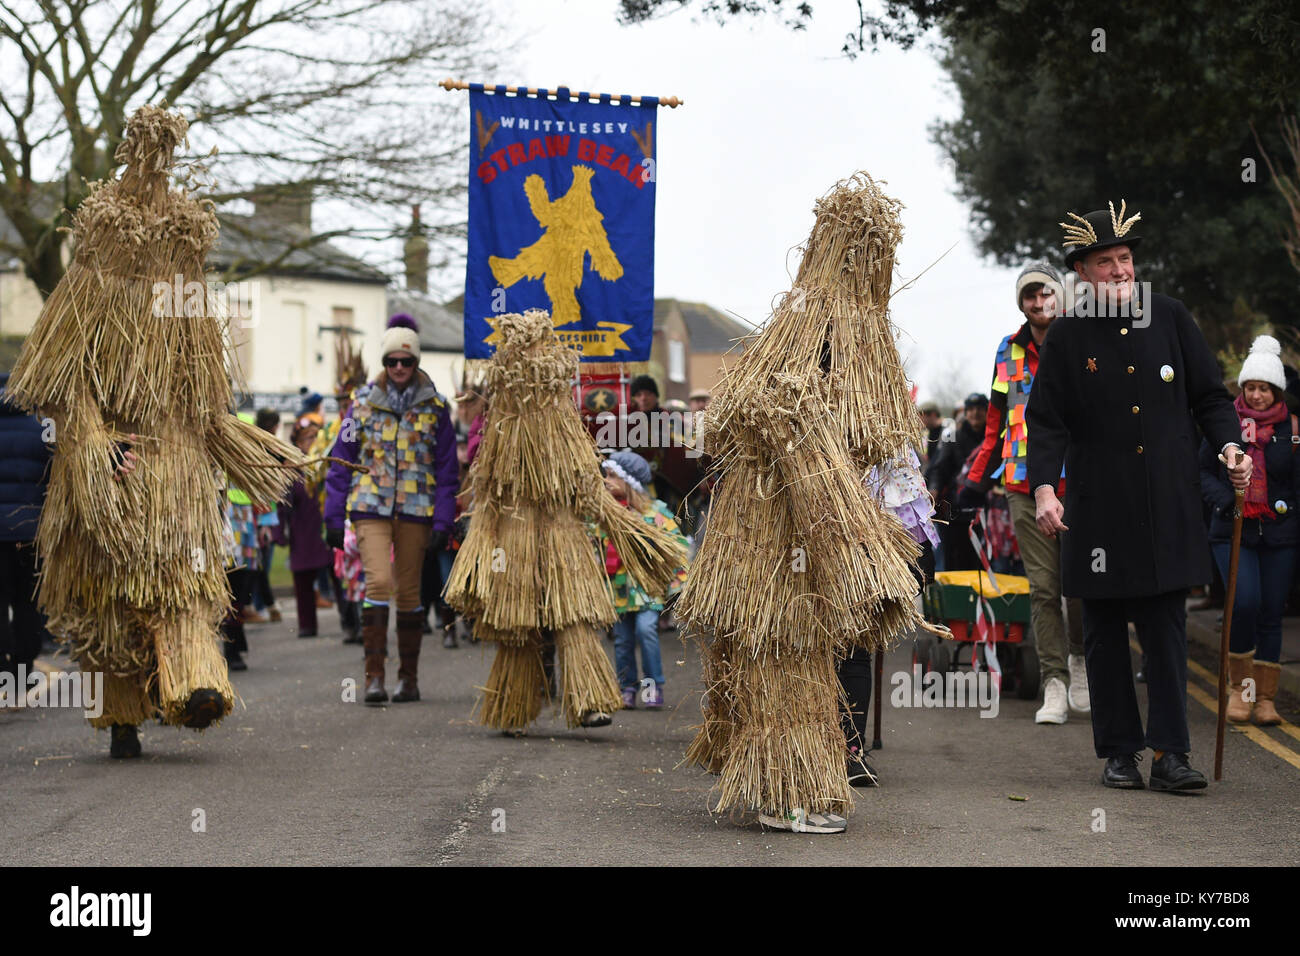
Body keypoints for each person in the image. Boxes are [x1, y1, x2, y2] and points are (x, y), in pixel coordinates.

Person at [1027, 201, 1252, 792]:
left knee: (1166, 633)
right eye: (1107, 262)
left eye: (1126, 258)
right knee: (1103, 635)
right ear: (1082, 273)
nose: (1122, 270)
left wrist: (1229, 446)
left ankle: (1171, 754)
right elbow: (1046, 420)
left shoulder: (1172, 317)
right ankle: (1120, 751)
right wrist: (1045, 488)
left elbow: (1210, 397)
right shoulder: (1069, 335)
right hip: (1099, 512)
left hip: (1166, 507)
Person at [962, 261, 1089, 724]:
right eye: (1030, 296)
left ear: (1060, 297)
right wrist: (976, 478)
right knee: (1043, 589)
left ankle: (1079, 662)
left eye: (1046, 294)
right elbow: (996, 419)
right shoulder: (1006, 350)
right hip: (1020, 483)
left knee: (1078, 587)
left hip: (1078, 481)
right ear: (1022, 303)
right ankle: (1053, 682)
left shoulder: (1080, 340)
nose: (1039, 303)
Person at [324, 313, 459, 704]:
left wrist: (444, 519)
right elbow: (341, 459)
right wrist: (334, 516)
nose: (399, 368)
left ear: (416, 363)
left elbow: (448, 470)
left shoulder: (436, 408)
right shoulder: (360, 404)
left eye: (407, 361)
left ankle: (408, 678)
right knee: (379, 582)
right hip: (370, 505)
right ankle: (374, 678)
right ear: (383, 364)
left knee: (410, 593)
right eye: (391, 361)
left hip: (417, 508)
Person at [1199, 335, 1298, 726]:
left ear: (1276, 391)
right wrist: (1226, 500)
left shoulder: (1291, 430)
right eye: (1251, 387)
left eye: (1264, 388)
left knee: (1272, 613)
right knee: (1244, 605)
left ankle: (1266, 699)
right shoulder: (1224, 424)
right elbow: (1203, 471)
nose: (1256, 396)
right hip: (1231, 527)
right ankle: (1240, 691)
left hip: (1279, 533)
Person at [600, 451, 688, 710]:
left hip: (647, 589)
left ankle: (652, 686)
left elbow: (677, 548)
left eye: (612, 476)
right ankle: (627, 687)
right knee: (622, 639)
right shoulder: (609, 514)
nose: (606, 480)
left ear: (630, 481)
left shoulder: (656, 513)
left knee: (646, 630)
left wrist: (675, 585)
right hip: (620, 588)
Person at [0, 372, 53, 686]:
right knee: (28, 601)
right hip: (31, 530)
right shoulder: (41, 429)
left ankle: (1, 668)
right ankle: (22, 670)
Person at [275, 416, 335, 638]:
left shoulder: (329, 462)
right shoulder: (291, 469)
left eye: (315, 436)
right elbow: (283, 504)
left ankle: (351, 623)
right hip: (302, 531)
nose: (311, 441)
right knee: (303, 579)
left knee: (338, 574)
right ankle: (306, 624)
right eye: (307, 437)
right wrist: (279, 532)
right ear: (298, 442)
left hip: (327, 528)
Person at [927, 393, 987, 570]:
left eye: (980, 409)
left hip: (987, 511)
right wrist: (934, 489)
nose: (975, 413)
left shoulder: (994, 437)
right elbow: (939, 468)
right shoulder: (952, 436)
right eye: (971, 409)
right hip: (957, 511)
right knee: (956, 561)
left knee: (985, 562)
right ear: (966, 413)